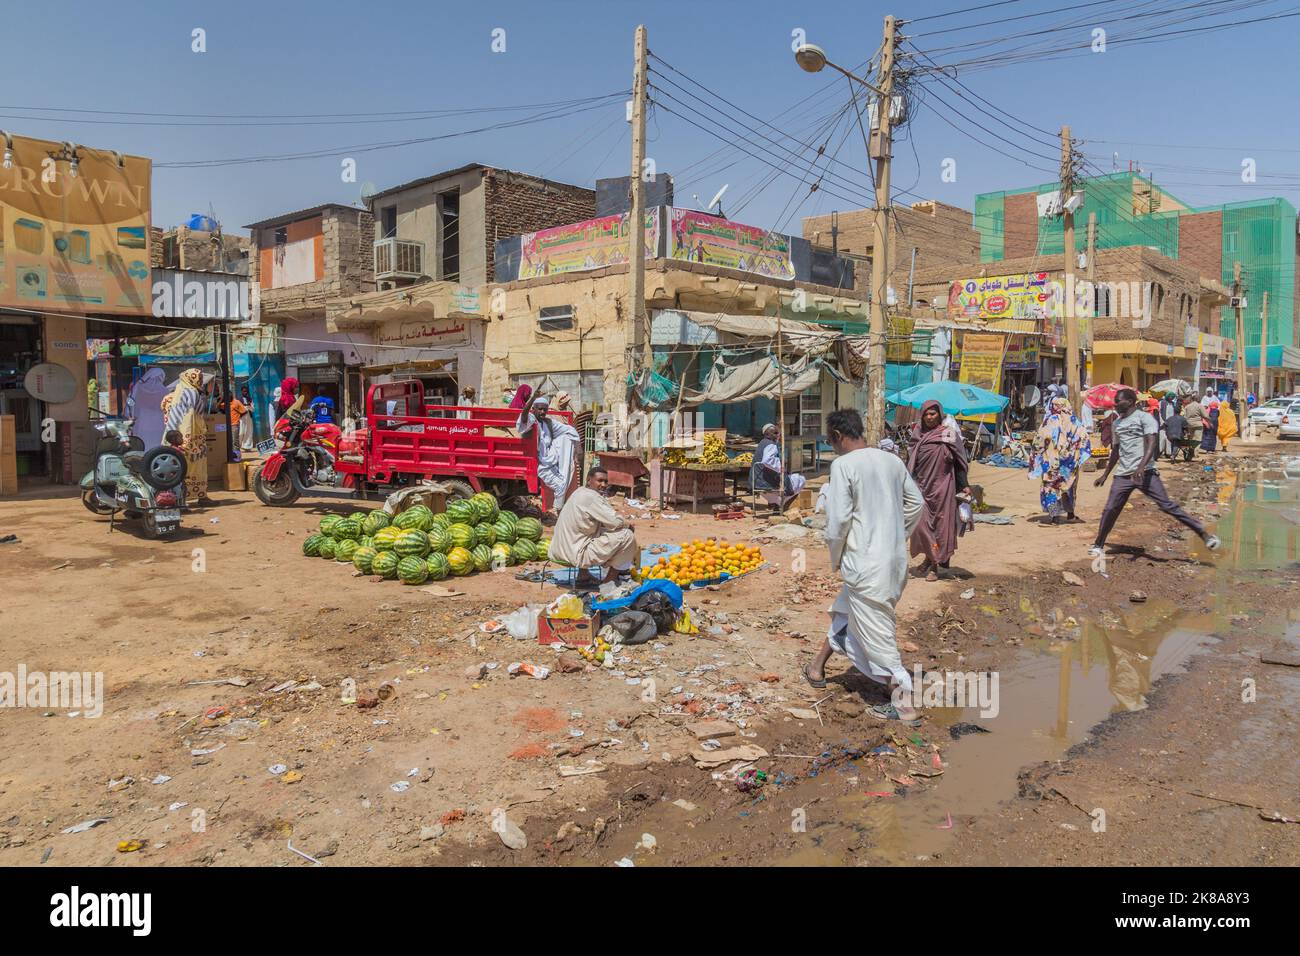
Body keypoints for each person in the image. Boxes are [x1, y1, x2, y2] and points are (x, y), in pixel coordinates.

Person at [803, 408, 925, 723]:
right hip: (893, 562)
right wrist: (897, 534)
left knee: (878, 633)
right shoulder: (892, 460)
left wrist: (836, 553)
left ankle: (903, 702)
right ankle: (817, 666)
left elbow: (839, 519)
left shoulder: (843, 465)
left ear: (838, 437)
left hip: (865, 564)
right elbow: (916, 503)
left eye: (831, 440)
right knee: (847, 611)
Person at [1090, 388, 1219, 558]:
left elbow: (1152, 442)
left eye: (1118, 401)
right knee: (1111, 508)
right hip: (1123, 475)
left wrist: (1141, 467)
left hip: (1147, 473)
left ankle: (1204, 534)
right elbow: (1115, 449)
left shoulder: (1145, 418)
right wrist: (1105, 475)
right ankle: (1098, 544)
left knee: (1167, 505)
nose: (1115, 404)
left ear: (1129, 401)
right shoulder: (1116, 424)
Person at [907, 400, 971, 581]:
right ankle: (929, 558)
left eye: (933, 414)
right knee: (920, 525)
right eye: (926, 414)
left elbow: (960, 461)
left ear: (940, 415)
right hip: (921, 487)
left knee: (941, 527)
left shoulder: (949, 434)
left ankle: (934, 565)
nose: (929, 417)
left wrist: (964, 484)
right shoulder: (918, 434)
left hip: (944, 487)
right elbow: (911, 461)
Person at [549, 467, 639, 585]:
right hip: (574, 554)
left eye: (606, 481)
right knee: (627, 535)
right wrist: (627, 524)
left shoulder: (579, 492)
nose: (603, 484)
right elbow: (614, 522)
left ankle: (583, 575)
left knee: (593, 531)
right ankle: (609, 581)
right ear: (588, 480)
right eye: (599, 480)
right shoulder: (592, 497)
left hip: (558, 550)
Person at [1028, 396, 1092, 523]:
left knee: (1051, 488)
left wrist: (1037, 456)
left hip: (1051, 463)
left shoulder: (1048, 421)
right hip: (1068, 464)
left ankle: (1054, 516)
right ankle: (1070, 514)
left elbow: (1038, 442)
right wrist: (1073, 454)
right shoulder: (1074, 421)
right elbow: (1084, 438)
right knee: (1068, 487)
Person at [517, 392, 580, 511]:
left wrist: (578, 448)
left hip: (551, 461)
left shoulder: (547, 422)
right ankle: (559, 511)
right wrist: (532, 399)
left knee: (566, 437)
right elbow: (524, 416)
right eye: (539, 409)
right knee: (561, 485)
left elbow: (569, 430)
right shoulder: (532, 420)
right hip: (540, 464)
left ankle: (559, 509)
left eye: (544, 410)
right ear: (534, 409)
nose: (542, 412)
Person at [161, 368, 209, 502]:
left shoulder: (175, 393)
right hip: (192, 437)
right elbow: (191, 417)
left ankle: (179, 498)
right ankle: (199, 495)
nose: (200, 381)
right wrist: (189, 436)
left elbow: (167, 413)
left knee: (175, 469)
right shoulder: (192, 392)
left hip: (173, 436)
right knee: (195, 468)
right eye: (198, 378)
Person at [751, 423, 806, 508]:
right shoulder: (770, 445)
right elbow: (767, 460)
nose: (778, 435)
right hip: (766, 483)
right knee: (801, 479)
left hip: (756, 481)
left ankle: (777, 502)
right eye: (775, 433)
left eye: (778, 433)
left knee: (791, 479)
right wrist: (781, 468)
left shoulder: (762, 443)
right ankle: (781, 502)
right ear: (767, 435)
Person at [125, 366, 169, 449]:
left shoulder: (137, 388)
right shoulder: (165, 391)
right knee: (157, 446)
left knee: (142, 445)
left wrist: (130, 417)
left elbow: (130, 404)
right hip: (159, 424)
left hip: (141, 423)